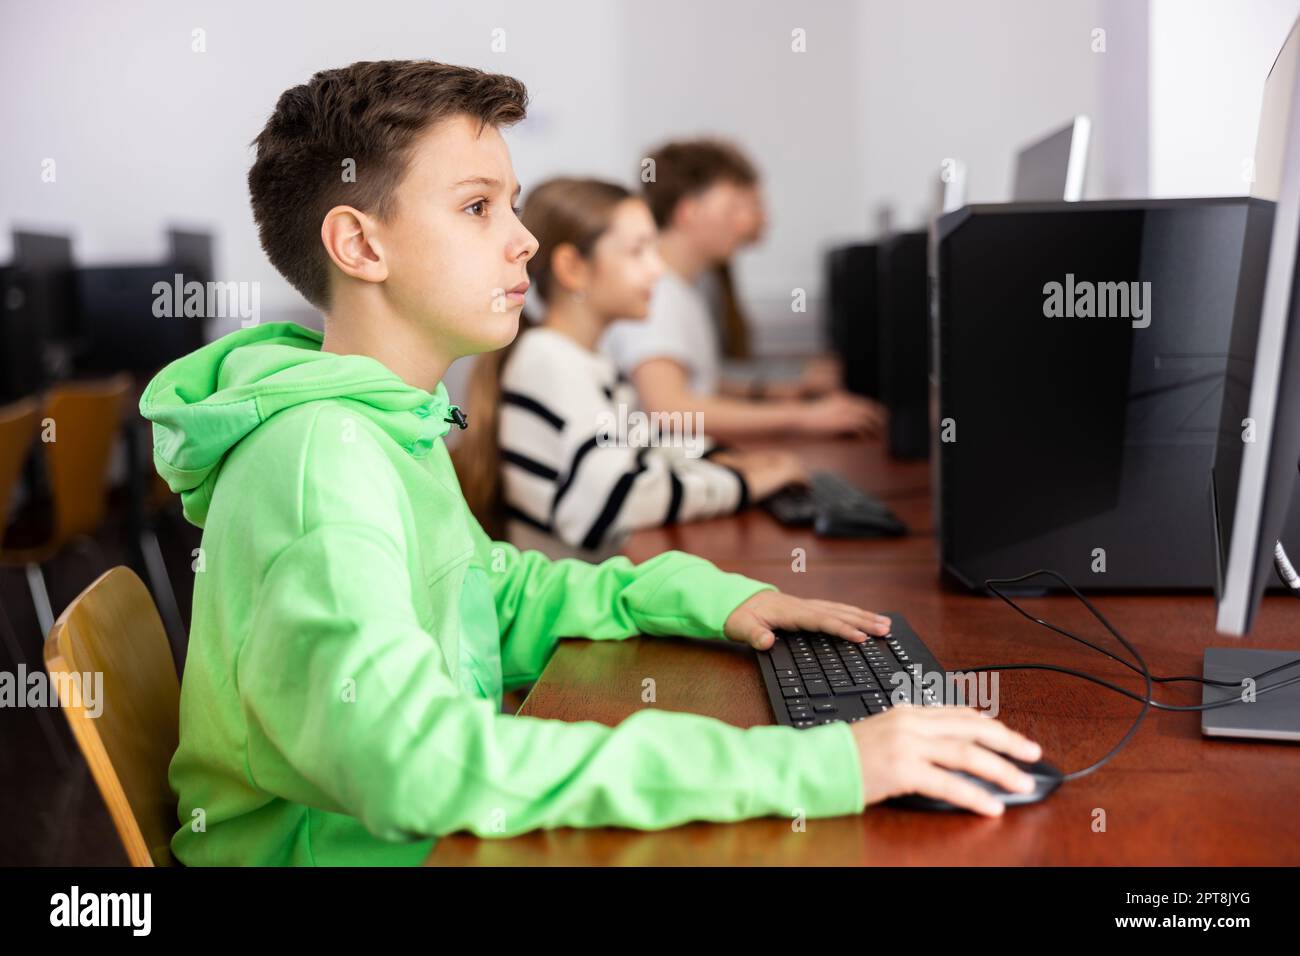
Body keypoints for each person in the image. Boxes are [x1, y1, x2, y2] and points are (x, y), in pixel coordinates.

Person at [141, 61, 1046, 866]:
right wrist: (820, 764)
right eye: (476, 207)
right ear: (360, 245)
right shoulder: (317, 458)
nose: (523, 238)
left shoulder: (386, 426)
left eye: (514, 202)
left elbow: (489, 591)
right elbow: (411, 767)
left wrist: (710, 599)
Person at [453, 176, 807, 557]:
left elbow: (643, 445)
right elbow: (615, 501)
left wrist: (722, 457)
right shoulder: (549, 360)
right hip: (576, 608)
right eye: (639, 252)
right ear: (573, 268)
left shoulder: (588, 360)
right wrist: (740, 483)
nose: (657, 269)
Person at [602, 138, 882, 442]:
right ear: (688, 213)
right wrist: (801, 418)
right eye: (736, 207)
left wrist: (774, 390)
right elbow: (667, 409)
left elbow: (695, 381)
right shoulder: (658, 294)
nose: (753, 222)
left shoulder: (683, 289)